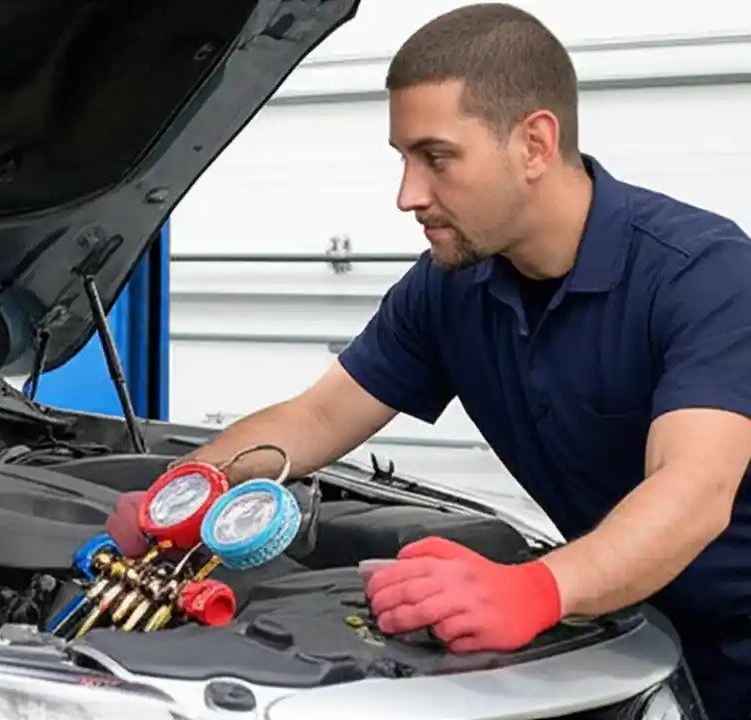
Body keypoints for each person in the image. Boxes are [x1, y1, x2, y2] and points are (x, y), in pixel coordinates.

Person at [103, 3, 751, 716]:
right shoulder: (451, 287)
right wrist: (187, 490)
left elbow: (693, 489)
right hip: (628, 634)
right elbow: (318, 415)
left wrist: (537, 589)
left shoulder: (704, 276)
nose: (409, 195)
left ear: (535, 144)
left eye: (437, 157)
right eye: (404, 159)